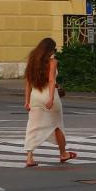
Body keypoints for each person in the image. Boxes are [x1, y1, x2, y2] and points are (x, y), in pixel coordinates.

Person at [22, 36, 76, 168]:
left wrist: (27, 101)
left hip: (35, 96)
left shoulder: (32, 61)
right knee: (57, 126)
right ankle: (63, 154)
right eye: (54, 49)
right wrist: (51, 98)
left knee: (32, 126)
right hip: (48, 96)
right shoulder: (52, 62)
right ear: (49, 50)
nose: (55, 52)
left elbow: (28, 82)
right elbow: (51, 80)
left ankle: (29, 157)